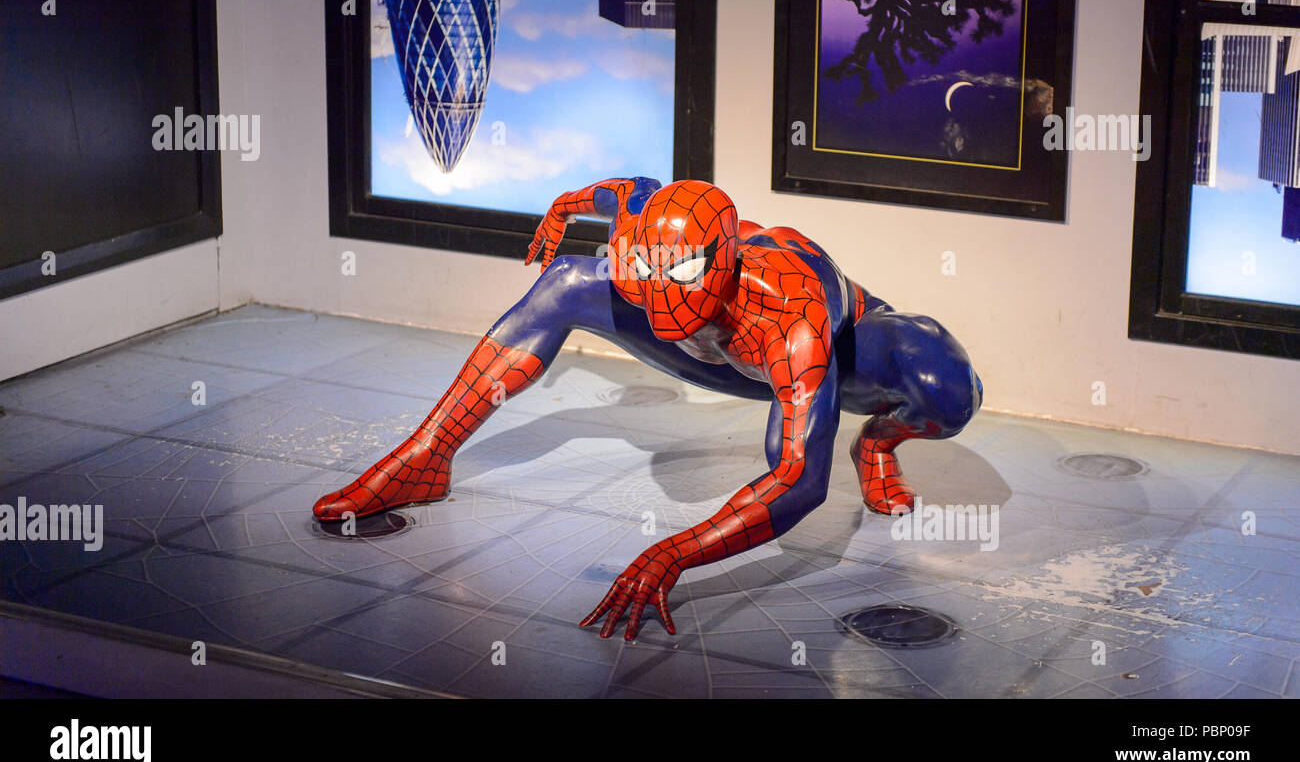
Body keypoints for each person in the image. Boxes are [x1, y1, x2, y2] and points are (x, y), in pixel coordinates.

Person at [313, 177, 982, 640]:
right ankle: (429, 455)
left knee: (948, 385)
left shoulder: (792, 316)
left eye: (681, 274)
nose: (658, 293)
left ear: (720, 261)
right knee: (568, 279)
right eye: (644, 267)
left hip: (825, 357)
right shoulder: (642, 234)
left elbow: (800, 481)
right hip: (716, 345)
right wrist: (565, 206)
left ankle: (879, 445)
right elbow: (621, 189)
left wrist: (676, 552)